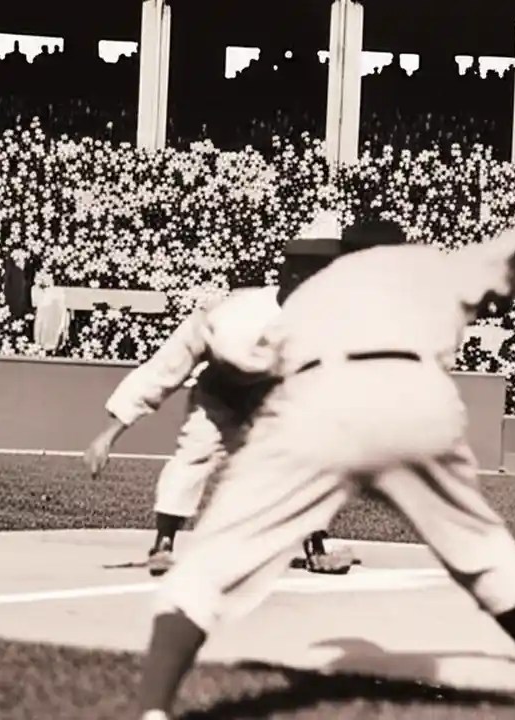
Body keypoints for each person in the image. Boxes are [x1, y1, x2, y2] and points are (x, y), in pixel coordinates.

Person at [136, 226, 515, 720]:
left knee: (214, 559)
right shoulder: (430, 262)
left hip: (315, 400)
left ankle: (153, 710)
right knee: (480, 545)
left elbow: (253, 360)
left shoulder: (311, 293)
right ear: (399, 246)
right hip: (414, 394)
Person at [82, 212, 362, 577]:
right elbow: (165, 368)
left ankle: (315, 545)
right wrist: (109, 433)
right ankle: (163, 543)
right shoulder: (231, 316)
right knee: (194, 456)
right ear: (293, 277)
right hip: (221, 395)